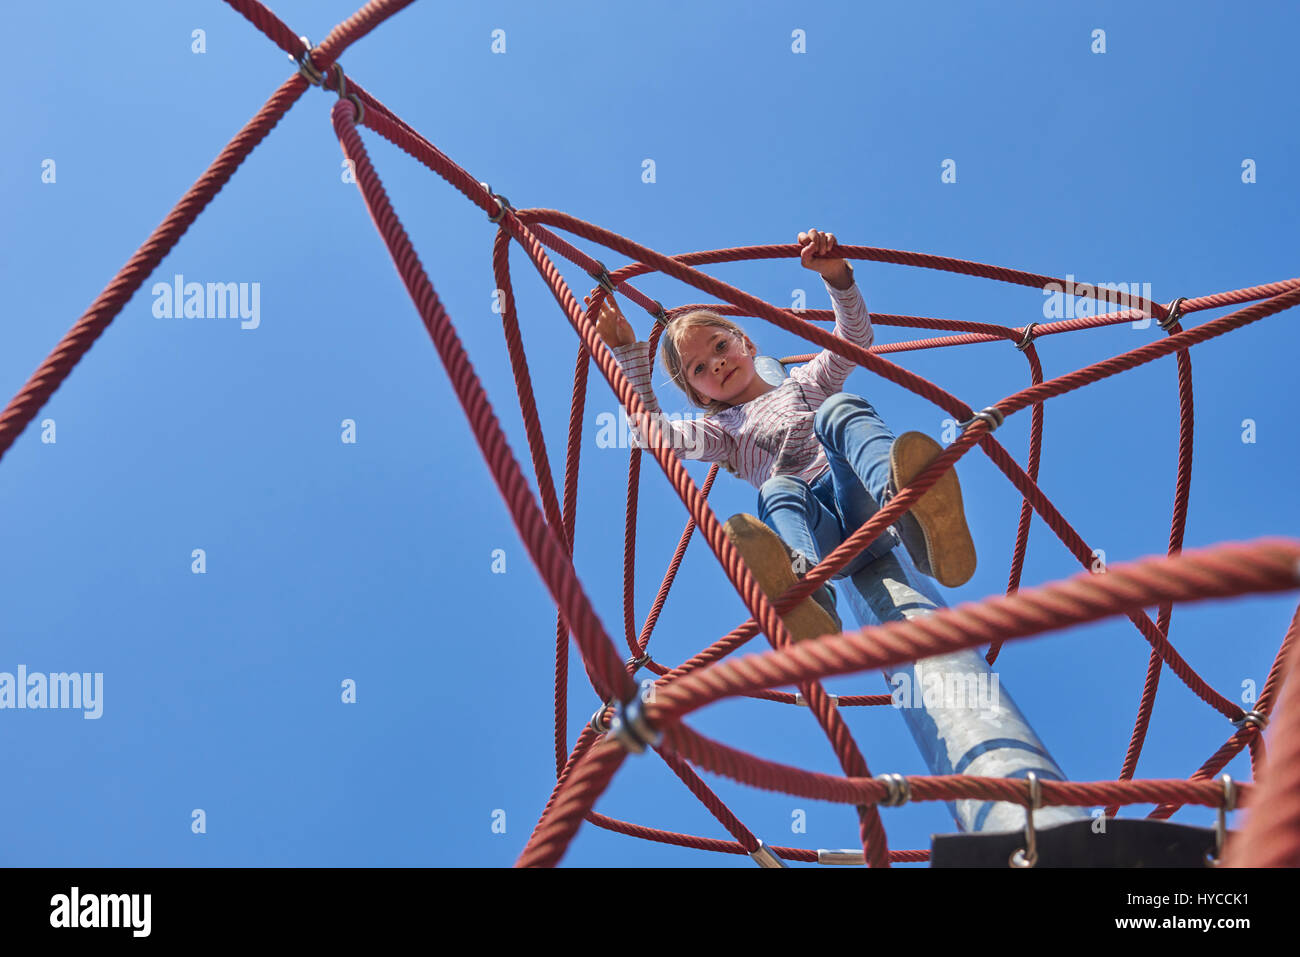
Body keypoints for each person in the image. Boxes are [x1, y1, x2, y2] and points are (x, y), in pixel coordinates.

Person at [592, 228, 975, 641]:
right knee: (776, 491)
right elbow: (656, 437)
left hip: (870, 508)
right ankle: (808, 594)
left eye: (720, 347)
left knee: (841, 408)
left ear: (748, 344)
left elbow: (855, 339)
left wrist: (837, 277)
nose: (715, 364)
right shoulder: (722, 431)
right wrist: (628, 355)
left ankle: (913, 507)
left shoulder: (805, 383)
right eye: (698, 369)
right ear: (697, 395)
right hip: (824, 539)